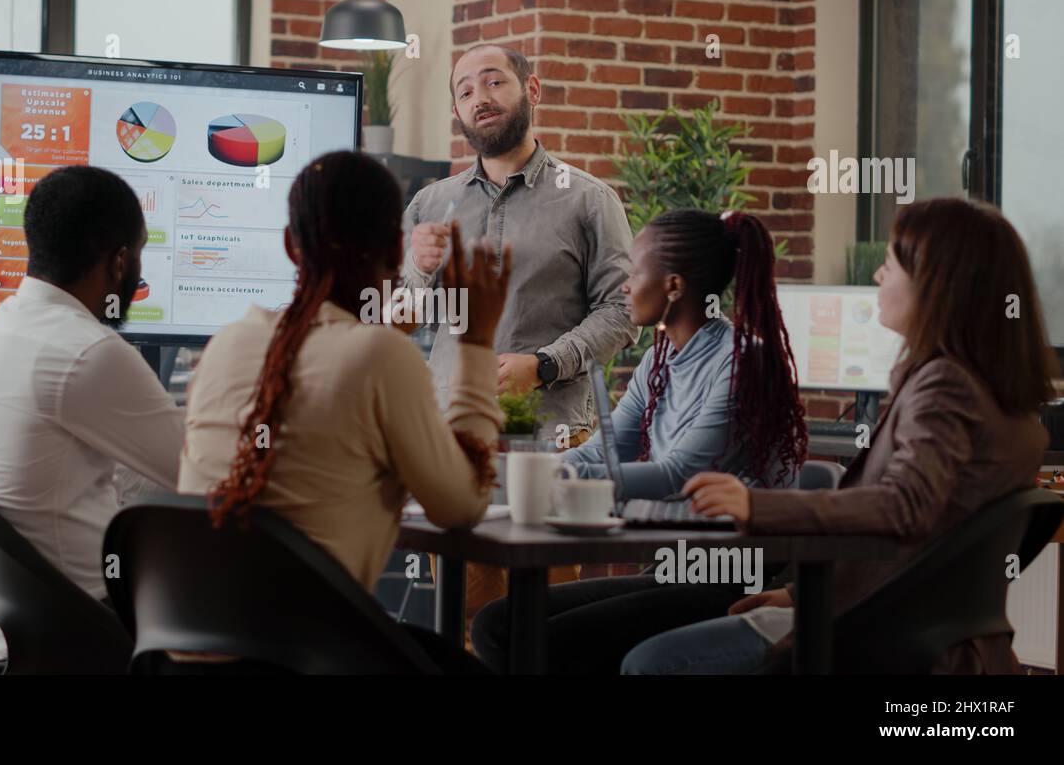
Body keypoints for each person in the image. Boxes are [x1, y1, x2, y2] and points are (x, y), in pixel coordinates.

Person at [621, 197, 1057, 675]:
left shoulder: (945, 386)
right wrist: (794, 593)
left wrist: (753, 504)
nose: (877, 278)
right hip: (928, 630)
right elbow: (933, 546)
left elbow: (903, 507)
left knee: (652, 661)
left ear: (936, 285)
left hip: (879, 632)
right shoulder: (1006, 404)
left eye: (890, 266)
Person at [178, 150, 510, 674]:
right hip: (312, 658)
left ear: (291, 246)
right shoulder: (380, 356)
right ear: (397, 246)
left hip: (190, 655)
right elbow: (462, 506)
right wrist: (475, 341)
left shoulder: (227, 344)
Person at [471, 208, 808, 674]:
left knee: (540, 638)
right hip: (674, 567)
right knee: (496, 623)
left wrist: (551, 476)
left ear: (673, 286)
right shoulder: (659, 360)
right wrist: (532, 462)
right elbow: (604, 454)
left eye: (635, 271)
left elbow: (678, 475)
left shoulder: (741, 362)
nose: (625, 285)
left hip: (728, 574)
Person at [401, 42, 639, 609]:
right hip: (452, 438)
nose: (480, 99)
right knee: (461, 616)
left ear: (531, 91)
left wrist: (544, 364)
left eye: (494, 83)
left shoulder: (589, 200)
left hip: (555, 439)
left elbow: (624, 310)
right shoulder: (430, 205)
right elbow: (398, 317)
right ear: (457, 114)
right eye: (465, 91)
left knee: (543, 621)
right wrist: (417, 269)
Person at [0, 165, 184, 661]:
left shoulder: (1, 329)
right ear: (119, 263)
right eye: (139, 252)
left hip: (0, 633)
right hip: (81, 633)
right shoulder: (90, 350)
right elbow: (197, 470)